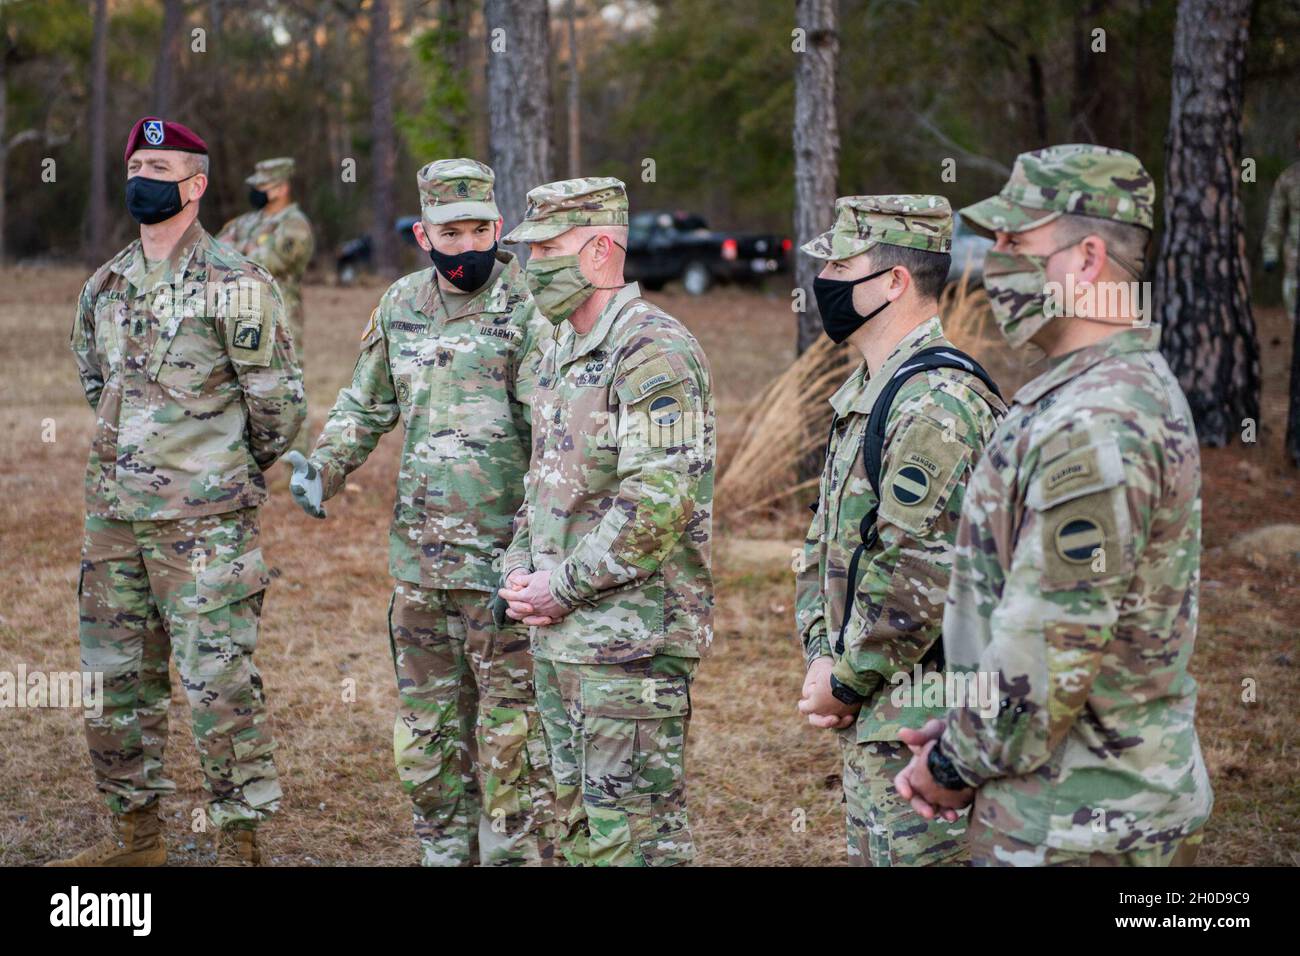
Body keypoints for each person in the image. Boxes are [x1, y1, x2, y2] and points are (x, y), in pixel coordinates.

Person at [894, 144, 1214, 867]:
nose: (994, 259)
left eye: (1015, 242)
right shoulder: (1086, 392)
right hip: (1065, 802)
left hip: (1082, 823)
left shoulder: (1097, 420)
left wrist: (948, 769)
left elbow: (1046, 650)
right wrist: (962, 732)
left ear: (1087, 258)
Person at [285, 159, 557, 866]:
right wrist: (326, 467)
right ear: (422, 233)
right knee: (429, 739)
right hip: (420, 568)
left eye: (477, 230)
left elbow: (558, 442)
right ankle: (443, 853)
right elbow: (365, 402)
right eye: (449, 231)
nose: (465, 245)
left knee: (511, 743)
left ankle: (511, 858)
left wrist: (540, 550)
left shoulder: (529, 310)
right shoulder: (401, 305)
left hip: (508, 574)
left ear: (498, 229)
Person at [51, 116, 304, 867]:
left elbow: (280, 408)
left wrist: (216, 471)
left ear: (193, 186)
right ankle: (136, 841)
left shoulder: (237, 284)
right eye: (136, 162)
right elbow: (95, 382)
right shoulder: (106, 284)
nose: (143, 177)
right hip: (115, 520)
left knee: (220, 691)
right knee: (114, 686)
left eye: (159, 165)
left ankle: (241, 845)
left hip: (206, 526)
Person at [497, 177, 715, 866]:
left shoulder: (653, 353)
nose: (532, 268)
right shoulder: (560, 350)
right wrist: (517, 569)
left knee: (635, 839)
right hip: (562, 639)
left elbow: (654, 506)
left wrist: (560, 586)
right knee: (576, 833)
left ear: (598, 251)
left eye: (547, 250)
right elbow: (546, 486)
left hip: (629, 648)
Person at [793, 195, 1006, 865]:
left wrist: (848, 680)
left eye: (840, 263)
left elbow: (916, 571)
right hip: (877, 707)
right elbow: (830, 548)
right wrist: (821, 658)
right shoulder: (877, 389)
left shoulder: (935, 403)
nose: (823, 280)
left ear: (894, 282)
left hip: (920, 716)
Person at [217, 157, 315, 453]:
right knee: (235, 383)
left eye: (263, 185)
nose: (257, 191)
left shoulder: (295, 225)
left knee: (286, 387)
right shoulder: (246, 221)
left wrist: (242, 253)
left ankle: (294, 459)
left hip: (279, 317)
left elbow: (269, 263)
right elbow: (215, 252)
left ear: (281, 188)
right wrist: (247, 252)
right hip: (238, 314)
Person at [1263, 131, 1300, 321]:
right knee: (1294, 309)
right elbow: (1274, 217)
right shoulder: (1289, 178)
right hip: (1295, 255)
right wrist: (1271, 252)